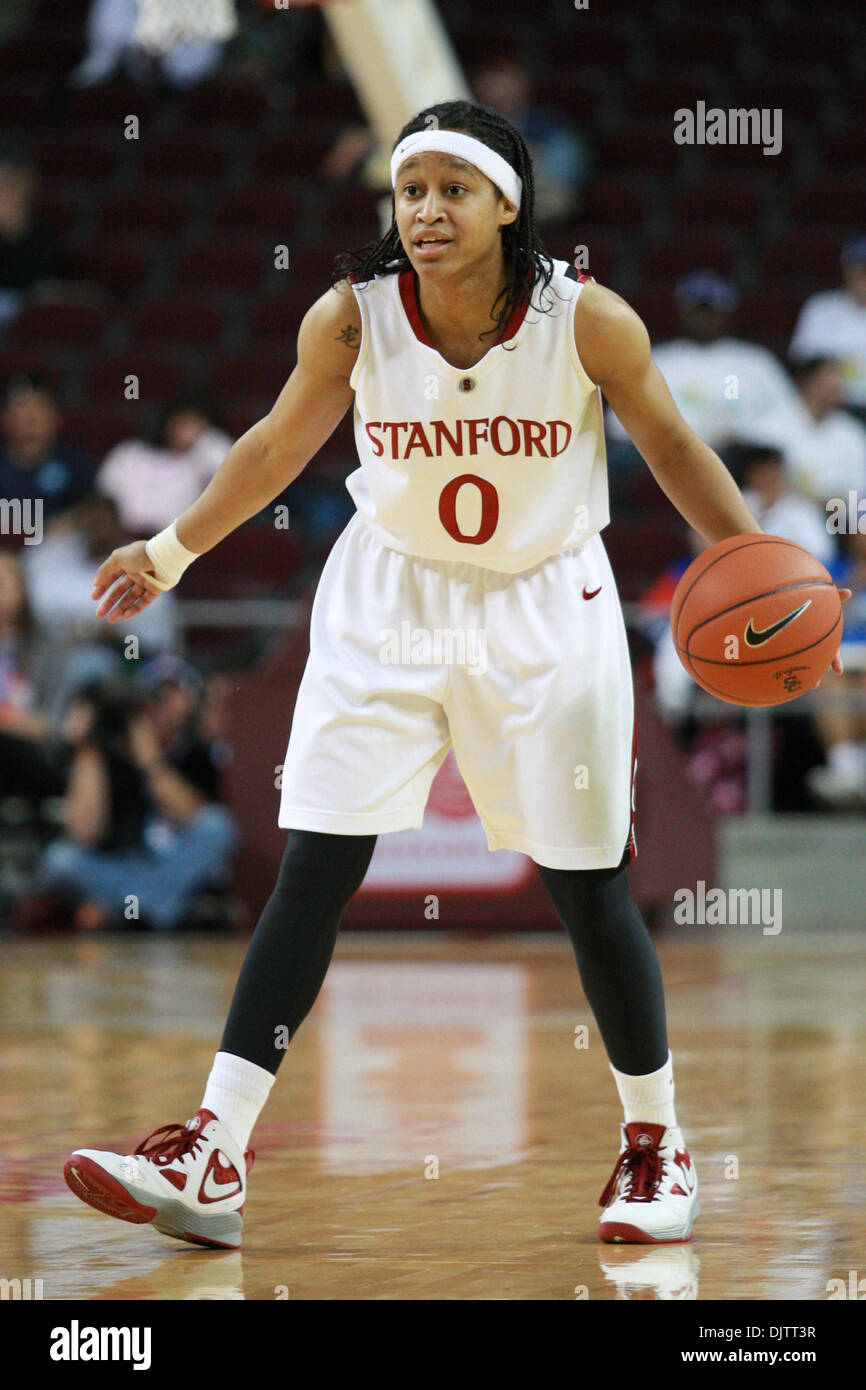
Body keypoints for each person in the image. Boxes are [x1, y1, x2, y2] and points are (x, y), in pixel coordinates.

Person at [61, 101, 846, 1251]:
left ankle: (655, 1143)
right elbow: (273, 445)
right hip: (389, 594)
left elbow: (675, 448)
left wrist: (757, 568)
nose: (425, 211)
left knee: (586, 882)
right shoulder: (351, 316)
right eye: (410, 190)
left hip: (544, 600)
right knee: (313, 866)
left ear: (507, 204)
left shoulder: (587, 320)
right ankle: (213, 1150)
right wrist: (170, 551)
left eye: (452, 189)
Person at [605, 271, 799, 462]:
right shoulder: (656, 360)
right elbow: (617, 423)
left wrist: (745, 436)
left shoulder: (756, 362)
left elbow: (790, 417)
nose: (704, 319)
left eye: (711, 311)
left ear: (728, 313)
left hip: (740, 463)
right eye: (697, 311)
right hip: (668, 462)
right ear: (682, 312)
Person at [736, 355, 866, 508]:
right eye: (826, 382)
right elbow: (760, 482)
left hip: (836, 514)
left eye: (836, 384)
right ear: (806, 381)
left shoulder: (852, 433)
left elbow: (858, 493)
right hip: (781, 510)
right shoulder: (770, 426)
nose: (833, 386)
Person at [96, 394, 233, 537]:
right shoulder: (130, 453)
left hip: (173, 542)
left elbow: (233, 474)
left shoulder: (199, 462)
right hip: (121, 538)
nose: (185, 430)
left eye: (195, 424)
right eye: (181, 422)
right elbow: (103, 497)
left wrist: (204, 439)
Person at [0, 376, 96, 524]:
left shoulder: (76, 466)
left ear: (56, 416)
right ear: (5, 416)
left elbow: (93, 512)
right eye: (21, 406)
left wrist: (70, 522)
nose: (29, 416)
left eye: (40, 406)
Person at [790, 235, 866, 418]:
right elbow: (804, 361)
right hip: (830, 409)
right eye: (860, 271)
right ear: (847, 271)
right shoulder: (821, 308)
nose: (863, 278)